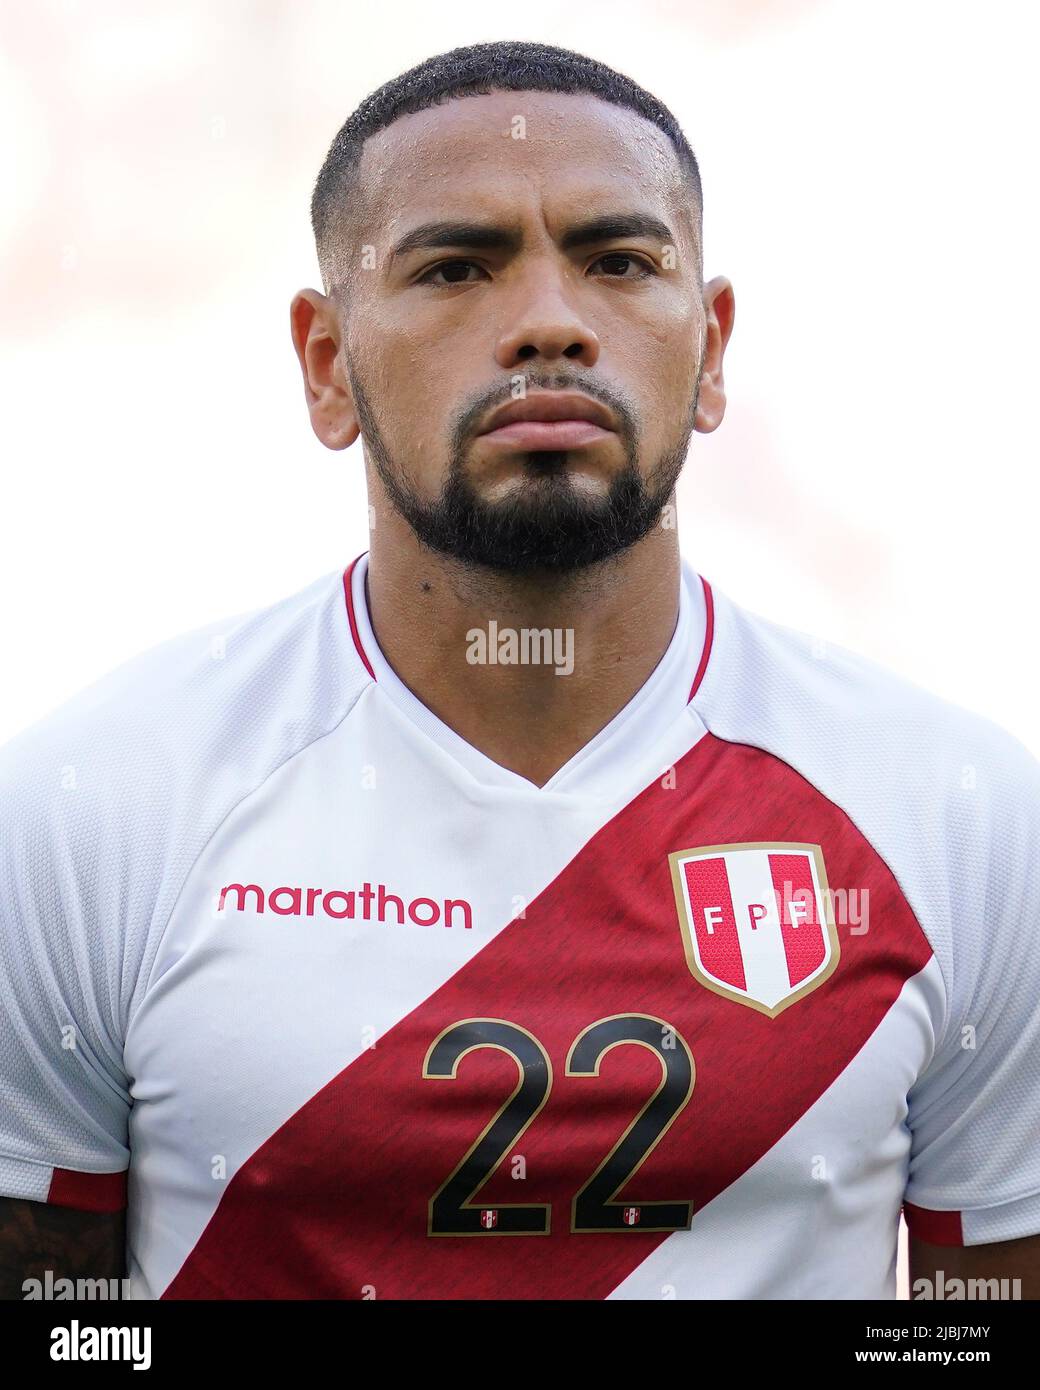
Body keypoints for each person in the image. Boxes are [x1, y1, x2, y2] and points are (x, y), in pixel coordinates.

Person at [1, 39, 1038, 1301]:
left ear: (710, 350)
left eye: (618, 260)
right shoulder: (90, 810)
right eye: (454, 267)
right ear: (327, 366)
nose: (549, 320)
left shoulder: (958, 818)